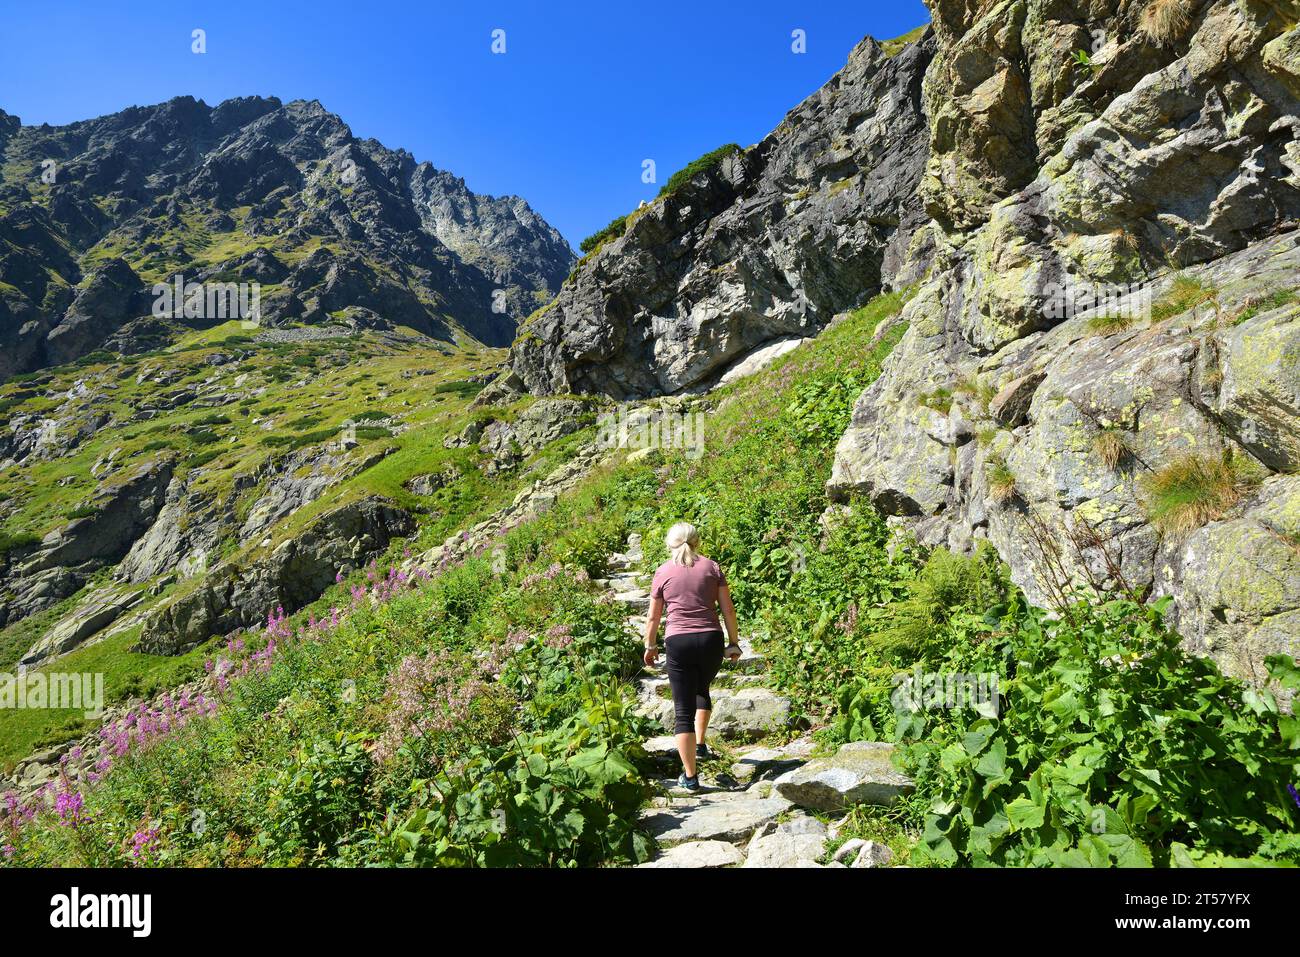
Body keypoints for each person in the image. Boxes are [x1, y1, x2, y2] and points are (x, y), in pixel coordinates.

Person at [642, 522, 741, 791]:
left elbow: (653, 615)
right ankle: (699, 745)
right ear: (697, 542)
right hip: (710, 639)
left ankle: (690, 776)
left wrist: (650, 646)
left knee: (682, 710)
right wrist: (733, 642)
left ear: (669, 543)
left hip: (678, 641)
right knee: (702, 688)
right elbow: (728, 610)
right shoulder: (712, 567)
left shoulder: (663, 571)